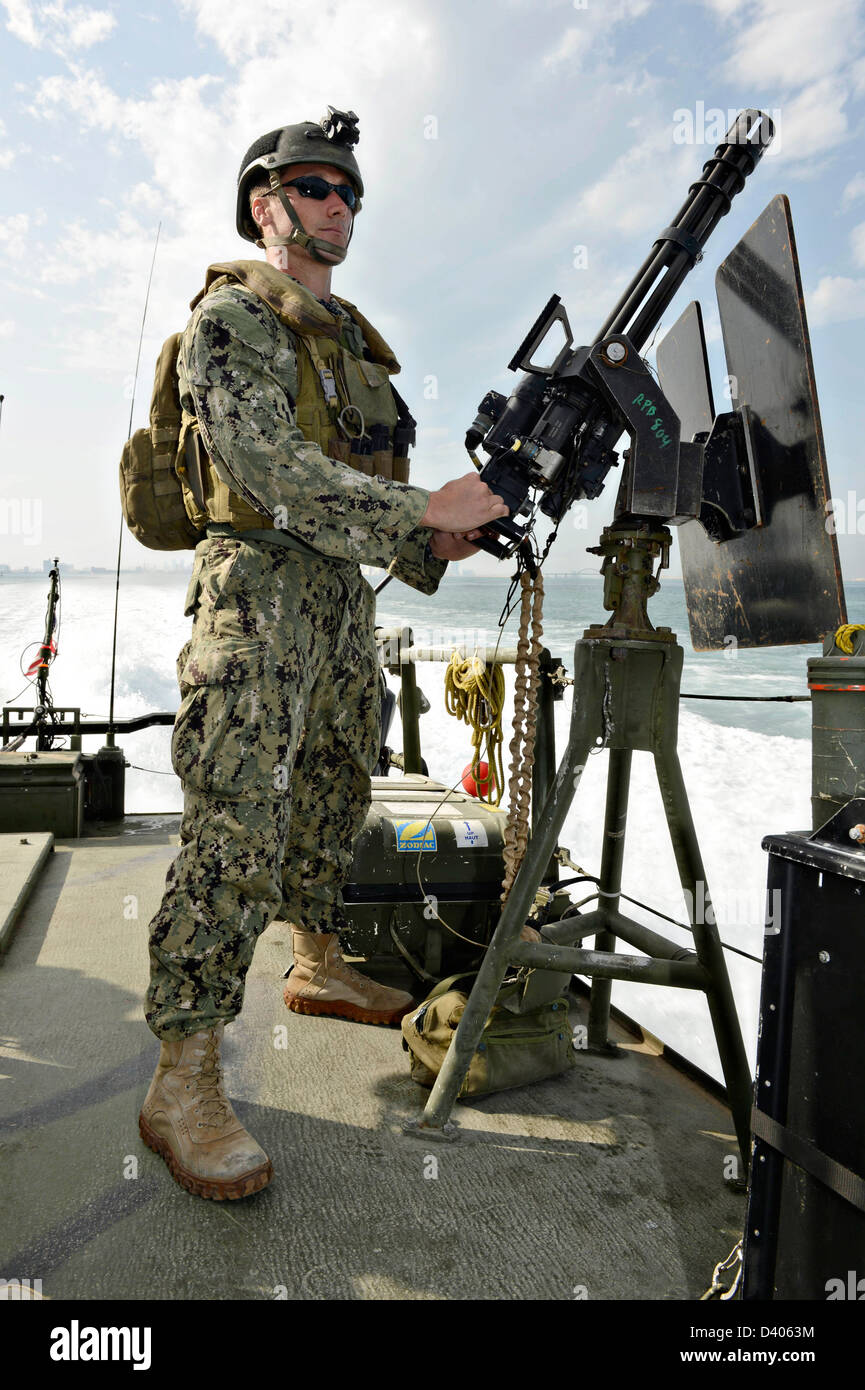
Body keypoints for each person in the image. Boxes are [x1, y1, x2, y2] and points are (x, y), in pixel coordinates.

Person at [138, 107, 510, 1200]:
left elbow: (381, 496)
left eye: (348, 192)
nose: (336, 205)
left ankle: (315, 958)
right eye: (312, 187)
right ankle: (182, 1076)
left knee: (334, 788)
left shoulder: (351, 346)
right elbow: (266, 463)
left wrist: (440, 528)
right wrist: (412, 508)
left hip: (339, 601)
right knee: (235, 825)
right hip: (253, 594)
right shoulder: (232, 318)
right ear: (266, 204)